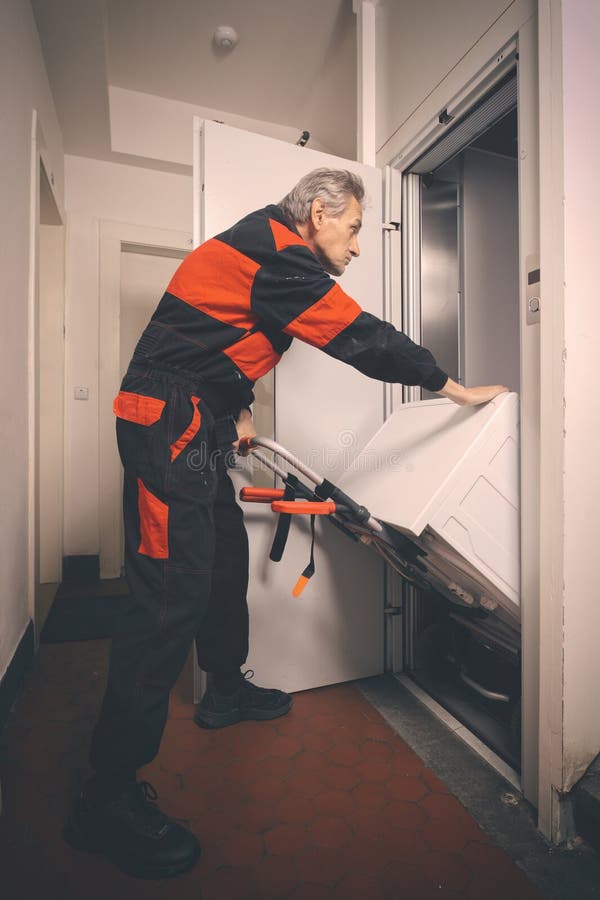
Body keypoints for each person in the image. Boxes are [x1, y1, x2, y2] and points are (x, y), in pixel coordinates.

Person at [63, 168, 507, 878]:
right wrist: (450, 387)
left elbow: (219, 338)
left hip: (194, 416)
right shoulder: (279, 254)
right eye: (354, 229)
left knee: (222, 559)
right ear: (319, 215)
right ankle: (105, 796)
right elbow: (360, 337)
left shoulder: (262, 250)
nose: (357, 246)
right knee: (169, 595)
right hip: (168, 421)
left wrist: (237, 410)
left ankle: (224, 688)